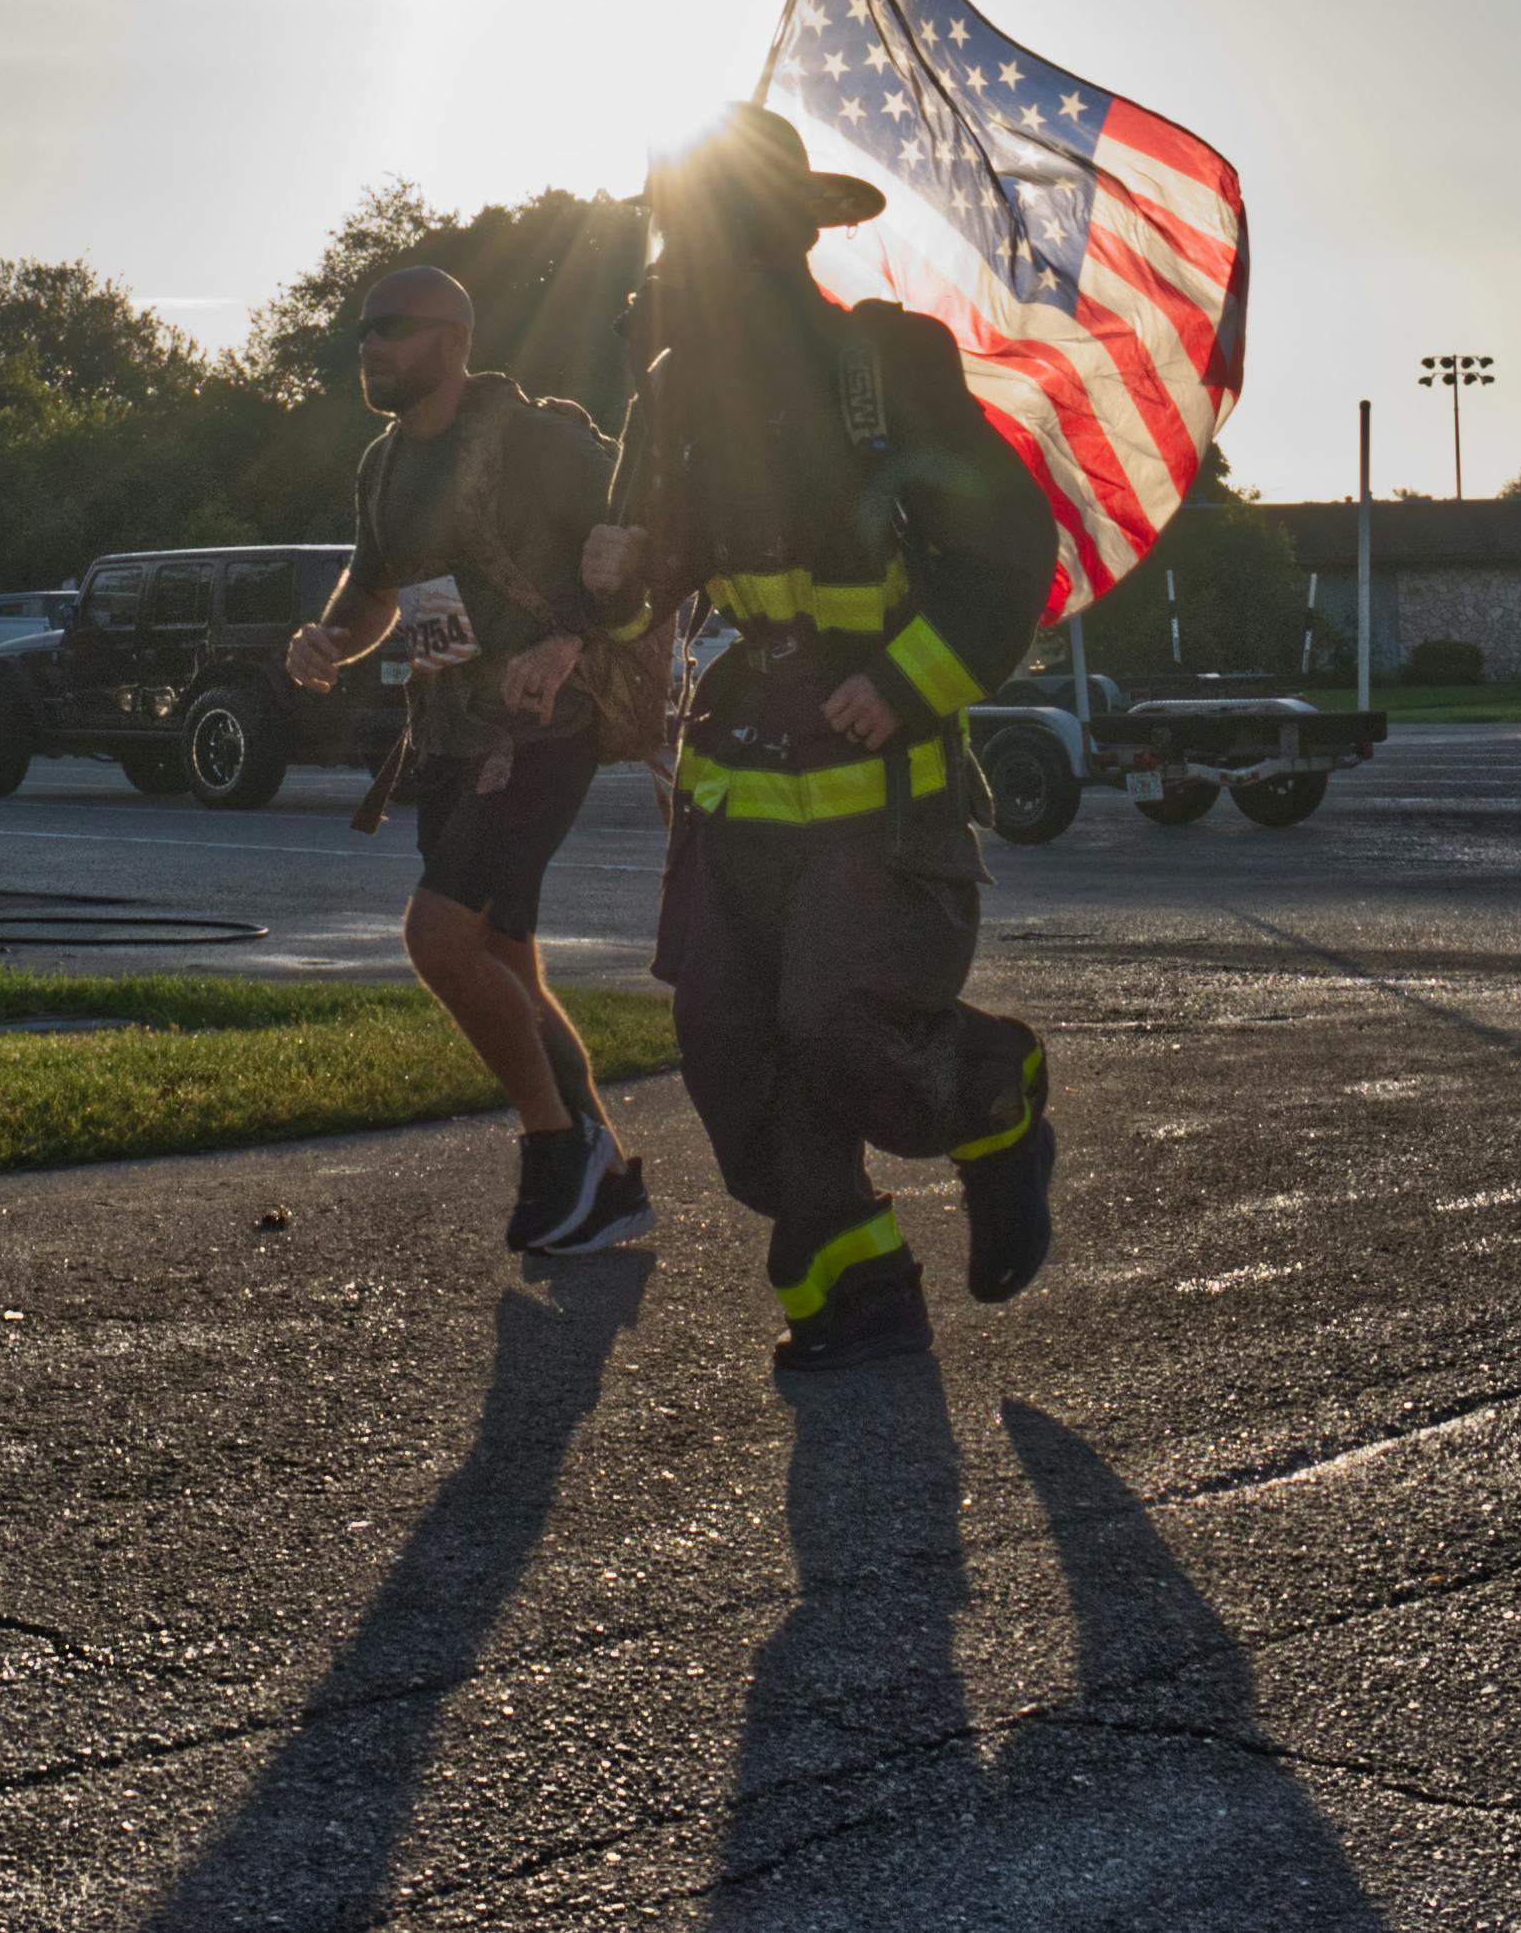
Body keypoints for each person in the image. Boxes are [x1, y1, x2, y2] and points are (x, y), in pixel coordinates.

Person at [582, 106, 1058, 1372]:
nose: (671, 264)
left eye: (693, 238)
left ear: (768, 243)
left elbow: (1008, 553)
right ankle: (852, 1289)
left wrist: (903, 682)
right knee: (728, 1051)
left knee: (842, 1025)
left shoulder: (885, 368)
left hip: (876, 794)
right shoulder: (671, 388)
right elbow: (646, 581)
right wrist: (617, 578)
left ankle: (993, 1096)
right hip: (736, 790)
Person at [286, 265, 653, 1256]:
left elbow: (642, 545)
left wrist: (568, 637)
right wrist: (324, 641)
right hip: (445, 737)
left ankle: (554, 1151)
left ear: (452, 339)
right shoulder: (383, 463)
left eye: (392, 330)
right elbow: (372, 594)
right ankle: (610, 1180)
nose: (369, 346)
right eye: (363, 330)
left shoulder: (535, 441)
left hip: (541, 732)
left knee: (439, 939)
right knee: (503, 965)